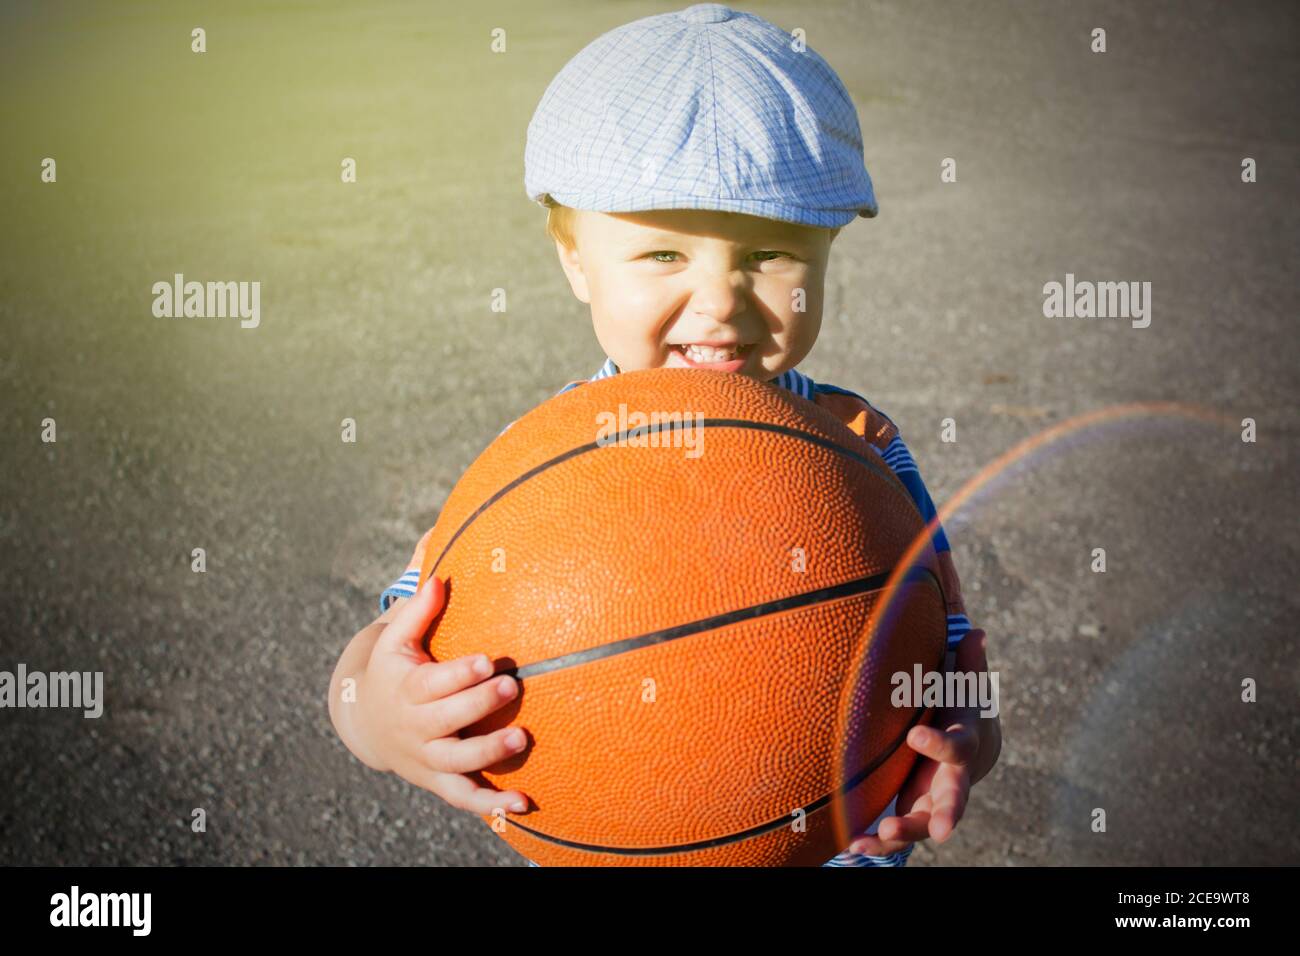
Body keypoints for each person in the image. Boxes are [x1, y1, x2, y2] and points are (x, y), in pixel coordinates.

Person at [329, 3, 1000, 867]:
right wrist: (378, 721)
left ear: (830, 249)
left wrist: (967, 747)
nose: (720, 301)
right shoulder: (543, 471)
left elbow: (950, 660)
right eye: (662, 256)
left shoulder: (864, 449)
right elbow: (382, 646)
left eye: (770, 254)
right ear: (575, 257)